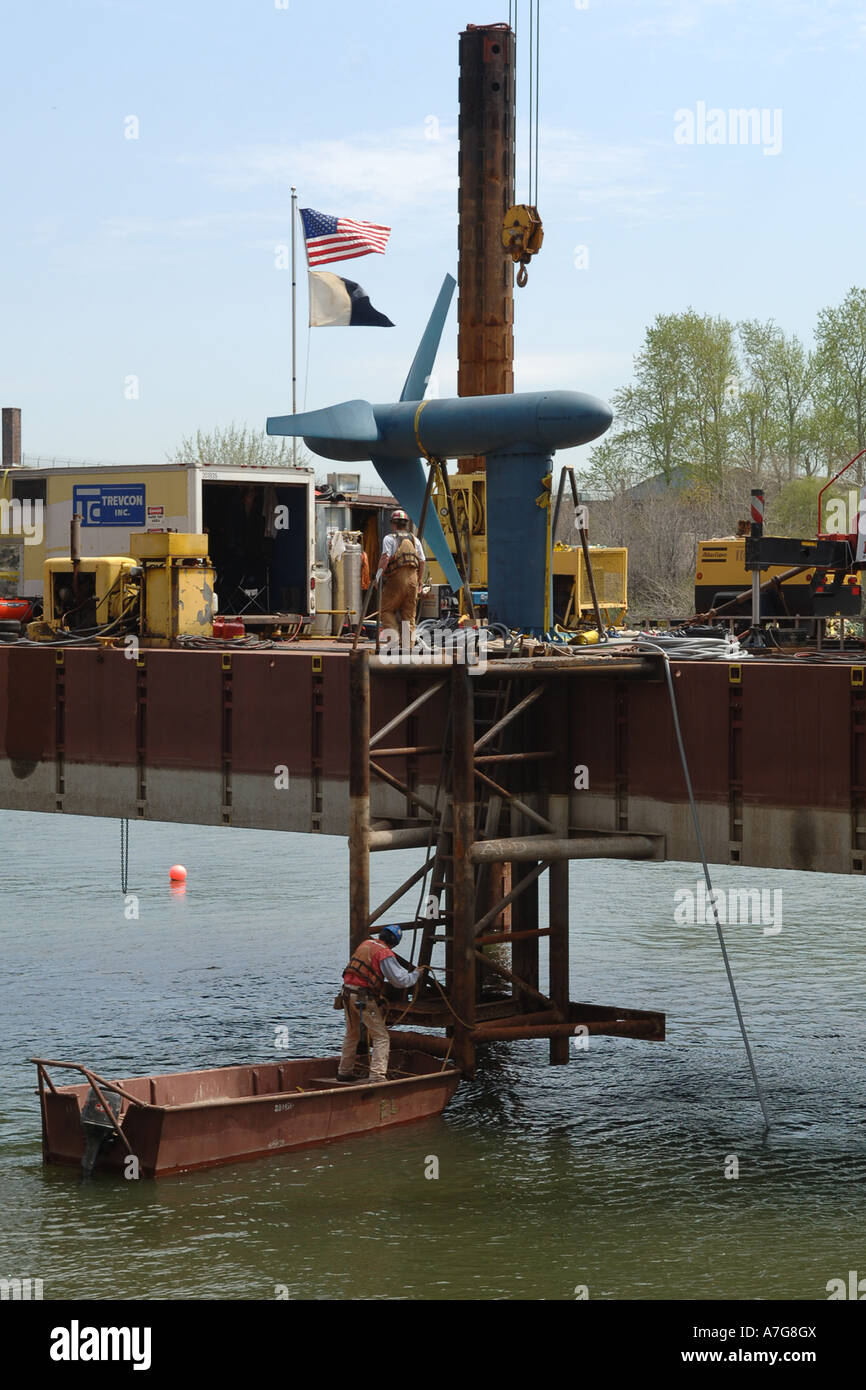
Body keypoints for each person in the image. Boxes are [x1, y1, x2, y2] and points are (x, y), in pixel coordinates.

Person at [337, 925, 426, 1083]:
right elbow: (400, 980)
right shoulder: (384, 953)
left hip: (346, 994)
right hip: (363, 998)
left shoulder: (366, 944)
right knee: (381, 1036)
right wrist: (416, 974)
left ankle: (344, 1072)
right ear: (394, 942)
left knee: (352, 1034)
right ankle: (377, 1077)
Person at [376, 510, 426, 643]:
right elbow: (422, 561)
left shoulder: (390, 538)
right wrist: (420, 581)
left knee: (386, 611)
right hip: (413, 580)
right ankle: (408, 648)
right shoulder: (415, 540)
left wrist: (377, 577)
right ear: (406, 524)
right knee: (409, 616)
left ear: (393, 524)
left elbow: (385, 558)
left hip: (396, 580)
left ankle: (393, 641)